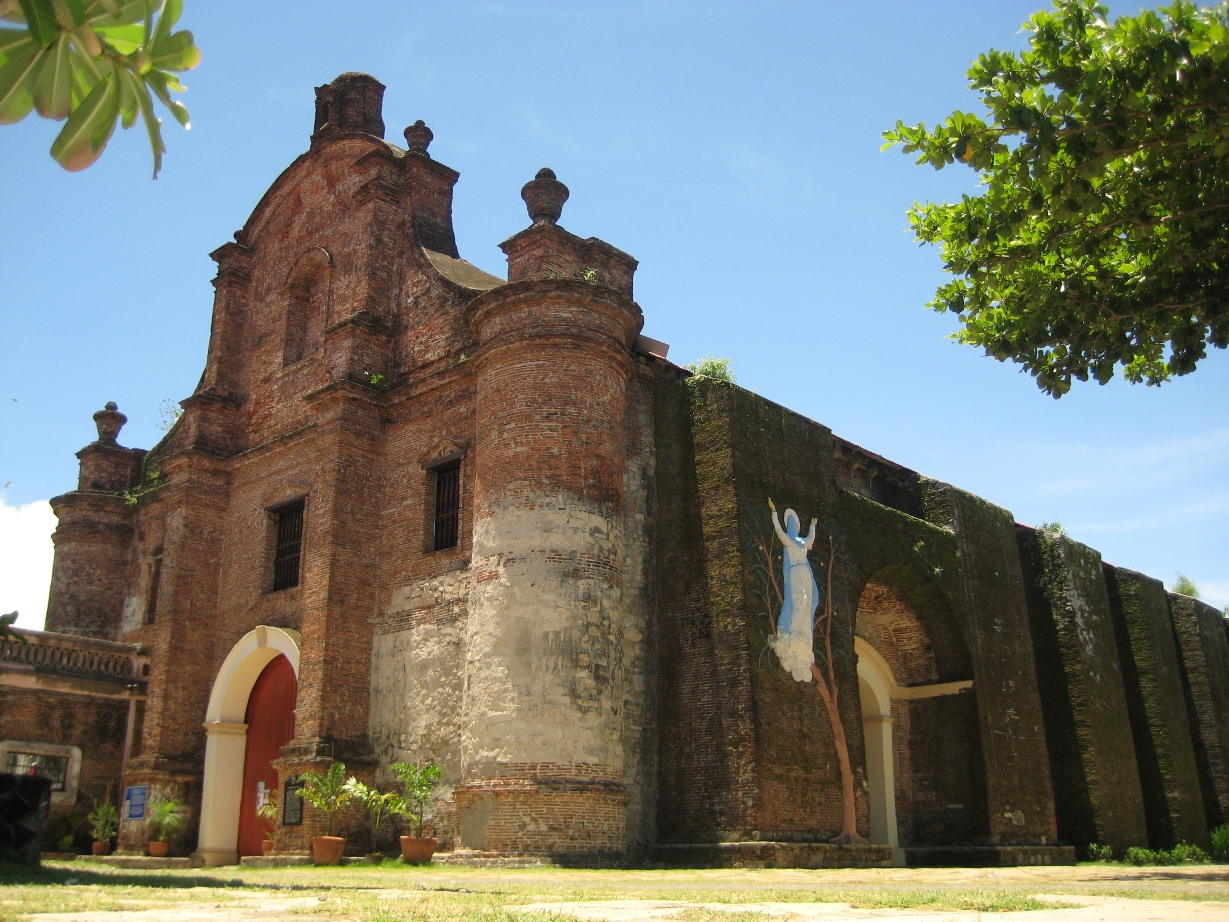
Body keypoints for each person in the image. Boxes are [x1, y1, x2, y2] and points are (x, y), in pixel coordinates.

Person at [768, 498, 818, 682]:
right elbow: (778, 531)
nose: (792, 526)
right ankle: (793, 630)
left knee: (809, 601)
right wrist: (774, 513)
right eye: (790, 523)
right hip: (796, 572)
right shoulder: (788, 541)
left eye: (793, 524)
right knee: (800, 601)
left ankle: (803, 630)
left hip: (805, 572)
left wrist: (812, 526)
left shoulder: (801, 541)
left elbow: (810, 541)